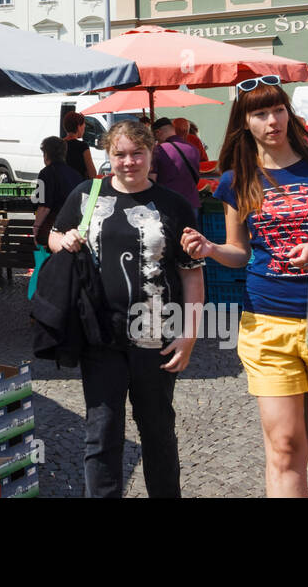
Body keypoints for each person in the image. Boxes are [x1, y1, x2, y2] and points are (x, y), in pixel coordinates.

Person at [180, 76, 308, 498]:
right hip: (266, 322)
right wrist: (210, 248)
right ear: (244, 122)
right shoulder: (235, 180)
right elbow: (239, 252)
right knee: (284, 447)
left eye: (278, 109)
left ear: (289, 113)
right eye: (260, 113)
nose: (272, 121)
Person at [49, 120, 204, 498]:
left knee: (158, 433)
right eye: (120, 154)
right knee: (102, 432)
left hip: (157, 338)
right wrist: (64, 239)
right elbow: (53, 235)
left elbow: (191, 275)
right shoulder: (86, 194)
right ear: (108, 154)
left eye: (137, 153)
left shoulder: (174, 205)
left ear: (152, 154)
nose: (129, 161)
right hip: (99, 335)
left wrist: (189, 335)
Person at [31, 136, 83, 248]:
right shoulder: (76, 174)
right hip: (73, 229)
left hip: (53, 230)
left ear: (46, 154)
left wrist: (36, 228)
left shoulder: (45, 173)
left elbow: (44, 207)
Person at [151, 117, 201, 216]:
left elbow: (152, 181)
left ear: (158, 132)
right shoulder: (193, 149)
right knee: (191, 231)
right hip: (192, 204)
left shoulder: (158, 151)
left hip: (168, 205)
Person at [62, 111, 98, 181]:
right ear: (78, 127)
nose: (84, 131)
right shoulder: (82, 146)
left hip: (62, 186)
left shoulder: (59, 144)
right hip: (78, 187)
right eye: (83, 127)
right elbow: (92, 174)